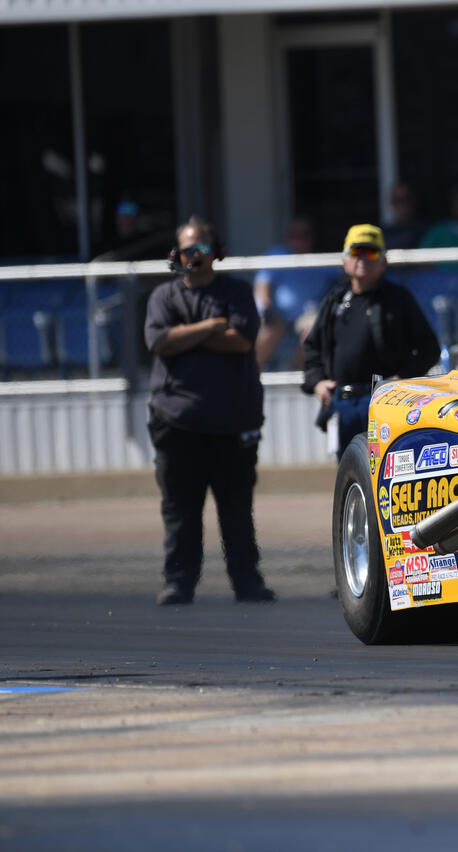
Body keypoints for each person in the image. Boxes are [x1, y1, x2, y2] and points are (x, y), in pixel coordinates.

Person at [144, 216, 274, 606]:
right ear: (177, 254)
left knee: (236, 510)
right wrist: (212, 326)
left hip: (232, 424)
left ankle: (247, 582)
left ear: (216, 253)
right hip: (176, 424)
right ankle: (178, 582)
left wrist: (188, 335)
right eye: (188, 249)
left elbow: (241, 341)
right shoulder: (163, 298)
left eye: (202, 248)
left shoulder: (236, 292)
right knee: (180, 511)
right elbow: (160, 342)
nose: (196, 256)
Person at [302, 224, 441, 458]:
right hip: (343, 402)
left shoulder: (398, 299)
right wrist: (317, 383)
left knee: (384, 467)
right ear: (345, 261)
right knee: (348, 472)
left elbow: (429, 348)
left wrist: (399, 381)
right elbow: (312, 347)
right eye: (356, 253)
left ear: (383, 261)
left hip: (385, 402)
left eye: (371, 253)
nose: (363, 259)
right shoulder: (334, 301)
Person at [253, 215, 335, 370]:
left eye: (304, 235)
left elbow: (346, 276)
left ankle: (293, 378)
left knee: (313, 327)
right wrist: (265, 307)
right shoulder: (277, 254)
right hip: (278, 315)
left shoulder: (322, 260)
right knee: (271, 328)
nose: (299, 239)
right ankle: (249, 374)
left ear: (312, 237)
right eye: (294, 235)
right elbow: (262, 284)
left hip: (308, 316)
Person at [382, 181, 426, 250]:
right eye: (396, 200)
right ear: (391, 203)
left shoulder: (424, 232)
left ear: (413, 202)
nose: (401, 205)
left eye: (405, 199)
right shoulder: (384, 234)